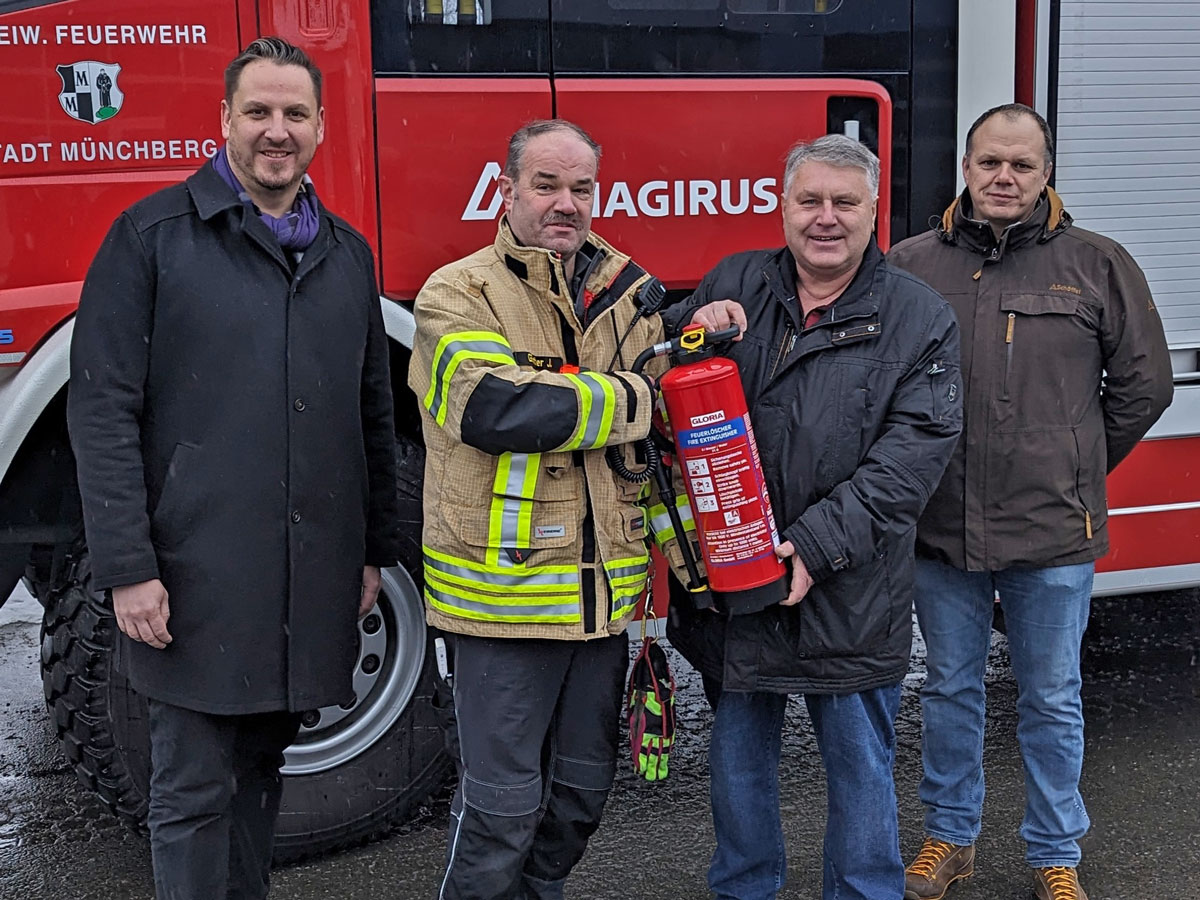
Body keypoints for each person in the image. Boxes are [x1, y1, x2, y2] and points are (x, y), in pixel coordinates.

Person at [67, 37, 400, 900]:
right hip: (194, 575)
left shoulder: (347, 256)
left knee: (261, 782)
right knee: (191, 795)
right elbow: (102, 413)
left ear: (323, 127)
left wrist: (372, 554)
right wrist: (128, 570)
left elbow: (372, 416)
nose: (276, 131)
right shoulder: (149, 238)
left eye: (294, 113)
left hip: (305, 577)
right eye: (258, 112)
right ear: (224, 121)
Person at [661, 133, 963, 900]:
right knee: (736, 766)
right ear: (782, 206)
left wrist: (815, 545)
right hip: (737, 584)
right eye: (809, 201)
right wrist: (691, 335)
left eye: (843, 203)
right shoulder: (734, 283)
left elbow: (911, 460)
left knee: (861, 769)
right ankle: (744, 891)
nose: (825, 218)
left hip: (851, 586)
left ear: (873, 212)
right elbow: (664, 385)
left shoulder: (918, 316)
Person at [888, 103, 1173, 900]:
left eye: (1022, 164)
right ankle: (950, 837)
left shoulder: (1097, 263)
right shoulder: (912, 266)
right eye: (990, 163)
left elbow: (1144, 385)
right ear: (967, 168)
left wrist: (1075, 464)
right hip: (942, 529)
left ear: (1047, 173)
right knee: (948, 691)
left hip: (1054, 533)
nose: (1004, 178)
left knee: (1051, 699)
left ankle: (1056, 854)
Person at [409, 119, 667, 900]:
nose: (565, 203)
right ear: (508, 190)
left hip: (601, 610)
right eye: (546, 185)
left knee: (580, 801)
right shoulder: (458, 292)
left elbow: (669, 394)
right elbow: (499, 409)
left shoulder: (629, 292)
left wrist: (699, 335)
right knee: (500, 814)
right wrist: (634, 398)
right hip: (503, 609)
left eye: (580, 187)